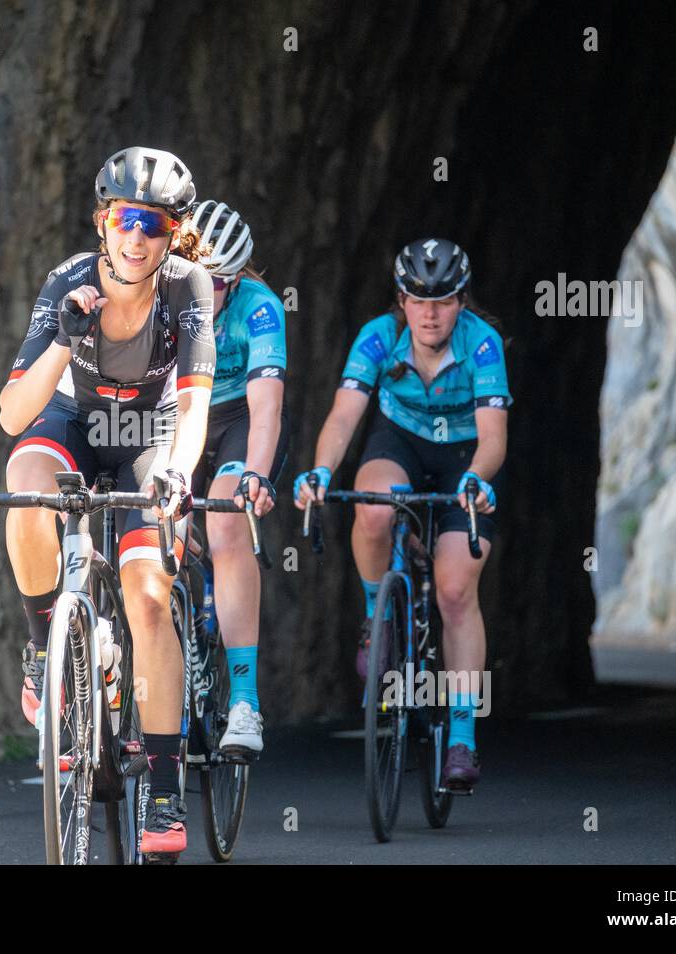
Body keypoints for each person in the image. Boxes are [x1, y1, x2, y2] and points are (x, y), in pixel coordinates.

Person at [0, 146, 215, 856]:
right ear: (103, 222)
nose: (135, 236)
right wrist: (65, 338)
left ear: (171, 237)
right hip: (76, 422)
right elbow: (13, 412)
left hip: (150, 435)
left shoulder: (188, 288)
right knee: (25, 483)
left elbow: (194, 403)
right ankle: (43, 652)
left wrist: (178, 476)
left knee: (148, 593)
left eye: (152, 225)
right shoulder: (67, 280)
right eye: (124, 219)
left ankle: (161, 786)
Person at [292, 238, 510, 790]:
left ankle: (461, 736)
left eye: (442, 300)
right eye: (418, 299)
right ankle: (377, 618)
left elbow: (494, 439)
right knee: (373, 509)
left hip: (466, 458)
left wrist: (474, 480)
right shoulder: (379, 337)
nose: (430, 312)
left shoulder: (482, 345)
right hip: (401, 443)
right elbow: (344, 418)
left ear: (462, 301)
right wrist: (322, 471)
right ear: (402, 299)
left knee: (456, 590)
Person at [188, 199, 288, 757]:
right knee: (155, 529)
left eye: (220, 282)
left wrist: (257, 475)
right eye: (199, 278)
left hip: (239, 421)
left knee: (225, 528)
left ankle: (245, 702)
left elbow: (267, 407)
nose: (207, 292)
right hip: (179, 417)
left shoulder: (260, 310)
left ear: (240, 276)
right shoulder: (159, 294)